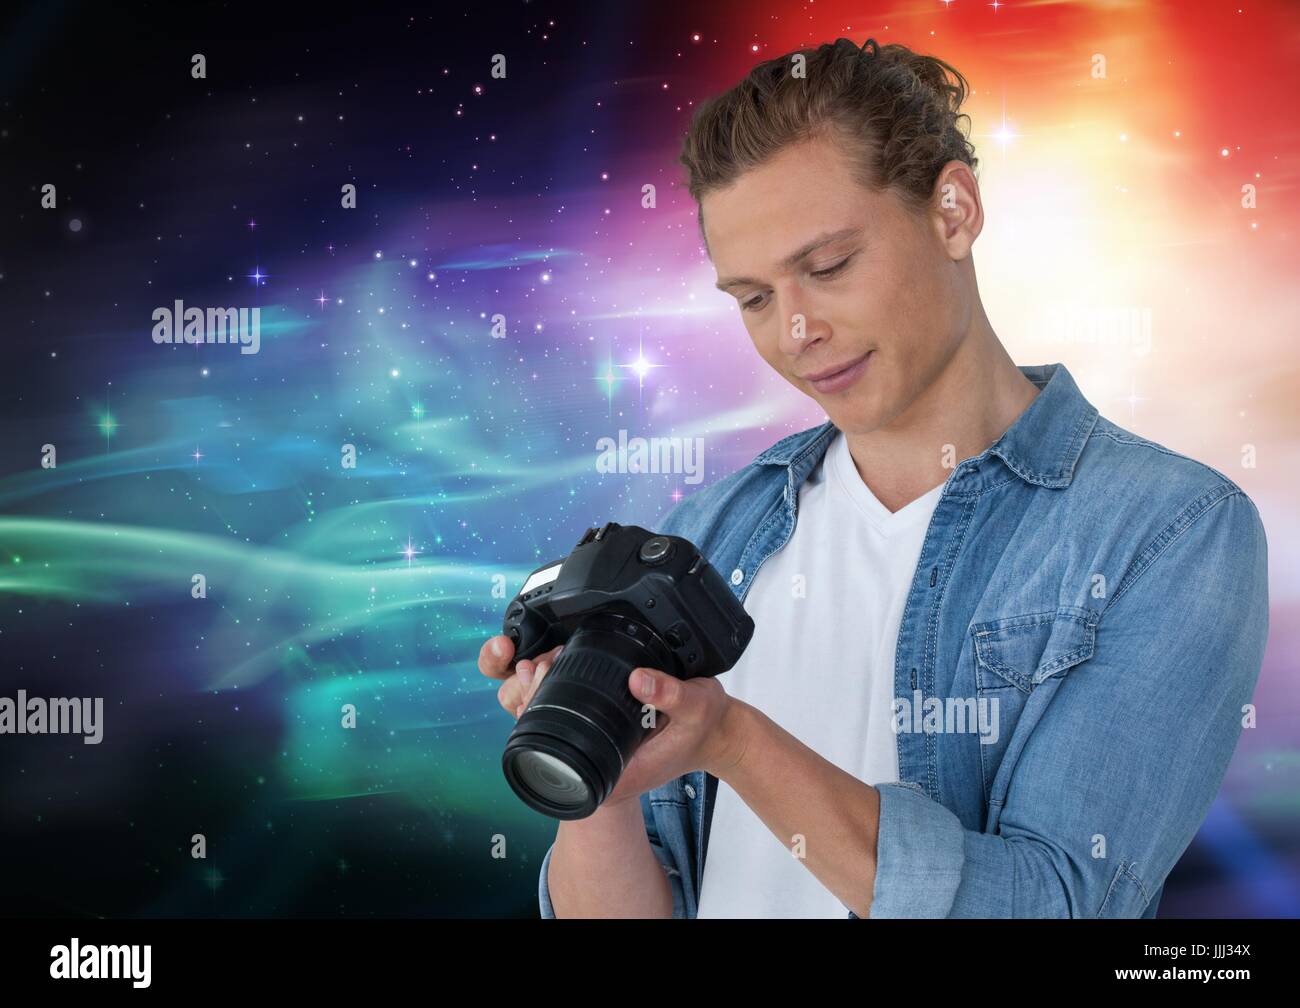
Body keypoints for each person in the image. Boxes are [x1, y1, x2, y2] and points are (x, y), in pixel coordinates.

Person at [478, 37, 1269, 918]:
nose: (796, 332)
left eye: (827, 268)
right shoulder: (705, 537)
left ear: (954, 211)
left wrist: (732, 741)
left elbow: (1059, 900)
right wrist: (591, 761)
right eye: (754, 298)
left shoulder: (1170, 534)